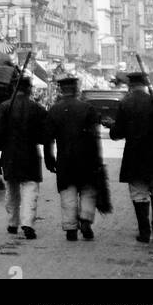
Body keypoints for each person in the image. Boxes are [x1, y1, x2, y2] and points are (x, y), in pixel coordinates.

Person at [109, 72, 153, 242]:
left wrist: (111, 127)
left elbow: (118, 133)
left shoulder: (125, 103)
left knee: (139, 194)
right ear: (145, 84)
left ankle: (145, 232)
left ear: (130, 86)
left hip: (134, 156)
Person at [44, 72, 105, 241]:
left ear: (61, 89)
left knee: (68, 192)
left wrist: (49, 159)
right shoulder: (87, 108)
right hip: (87, 158)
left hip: (65, 159)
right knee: (87, 190)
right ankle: (85, 219)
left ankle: (71, 227)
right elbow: (95, 137)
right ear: (76, 88)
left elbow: (48, 138)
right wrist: (98, 159)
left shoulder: (54, 110)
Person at [0, 73, 48, 239]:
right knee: (30, 189)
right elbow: (44, 135)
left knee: (12, 189)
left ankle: (12, 223)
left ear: (14, 89)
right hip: (30, 155)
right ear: (29, 89)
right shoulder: (37, 108)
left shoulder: (4, 107)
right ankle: (27, 223)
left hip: (10, 155)